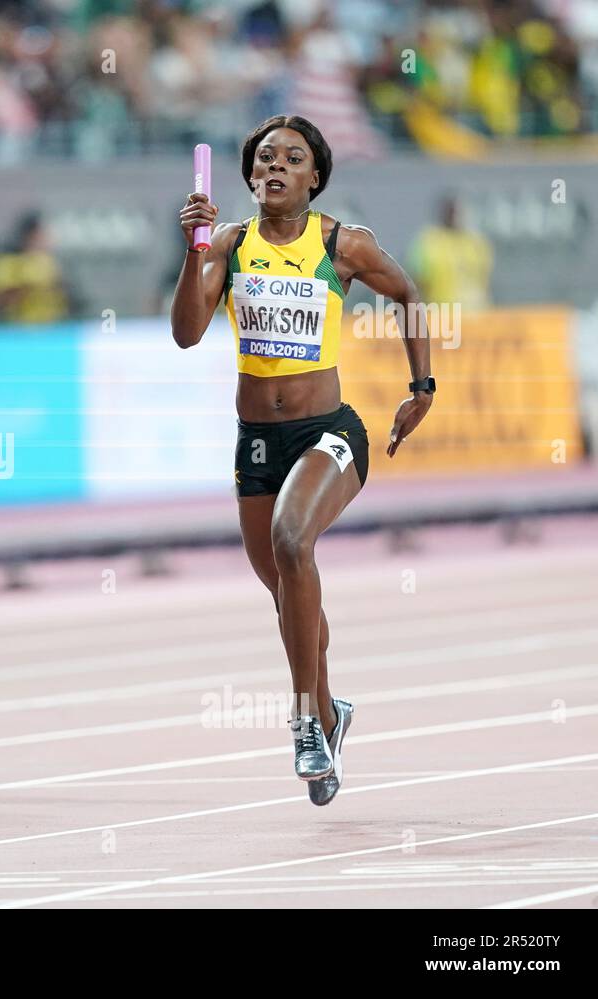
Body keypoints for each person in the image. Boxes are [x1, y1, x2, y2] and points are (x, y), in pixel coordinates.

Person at [170, 114, 433, 806]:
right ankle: (330, 708)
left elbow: (407, 294)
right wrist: (194, 251)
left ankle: (304, 723)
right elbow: (187, 335)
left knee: (293, 540)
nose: (274, 167)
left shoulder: (343, 244)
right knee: (288, 589)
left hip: (330, 432)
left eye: (290, 158)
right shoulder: (228, 243)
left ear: (315, 176)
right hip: (256, 443)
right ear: (251, 176)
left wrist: (422, 387)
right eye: (263, 160)